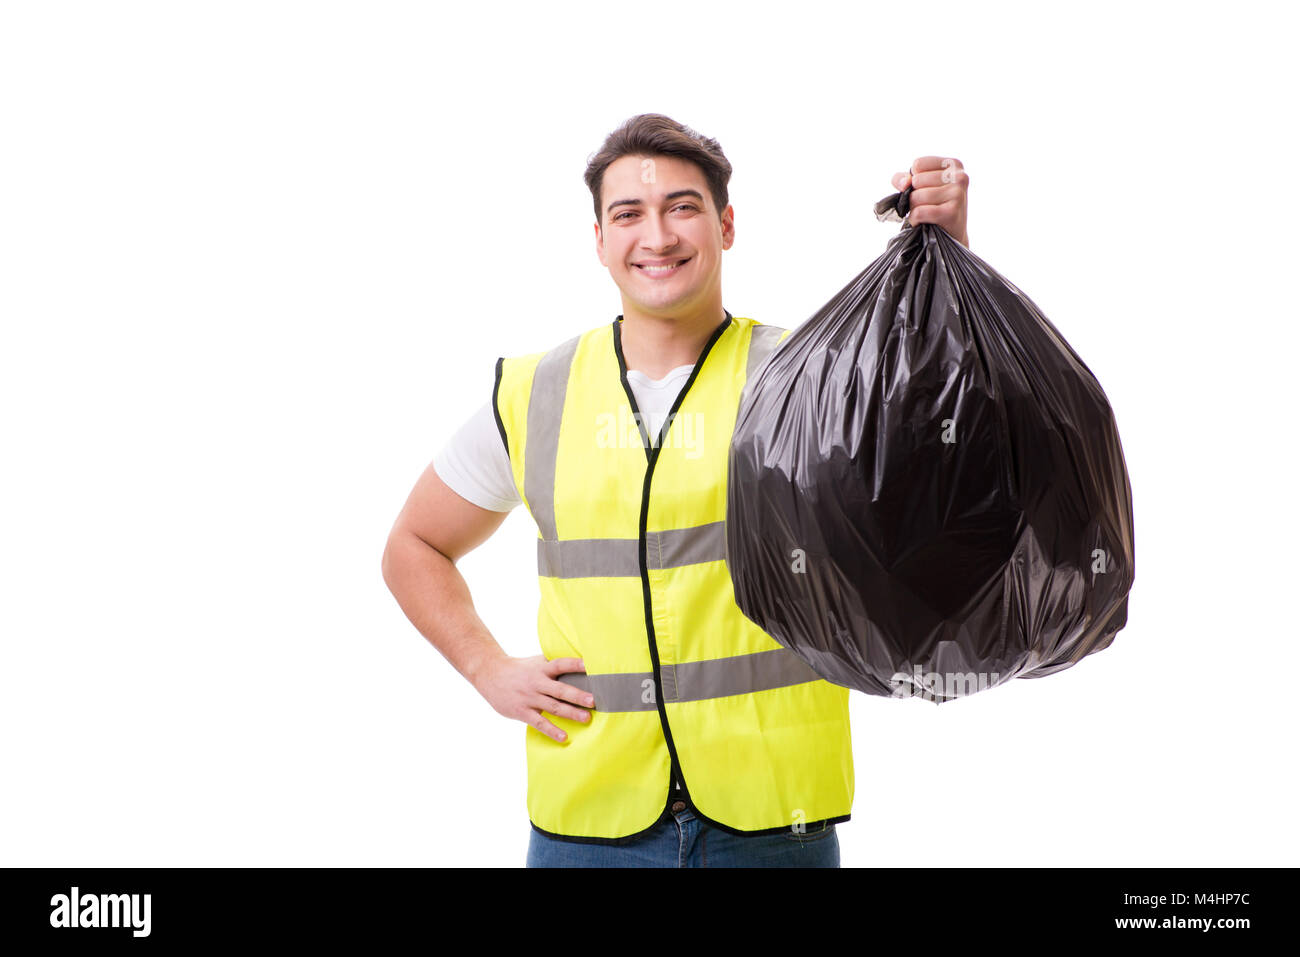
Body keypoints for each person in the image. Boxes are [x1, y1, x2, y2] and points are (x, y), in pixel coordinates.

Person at [381, 114, 970, 868]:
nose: (656, 235)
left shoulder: (805, 376)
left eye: (682, 207)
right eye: (628, 213)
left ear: (726, 225)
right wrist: (485, 666)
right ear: (598, 239)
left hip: (770, 819)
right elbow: (414, 544)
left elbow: (946, 446)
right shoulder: (537, 393)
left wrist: (946, 253)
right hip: (588, 823)